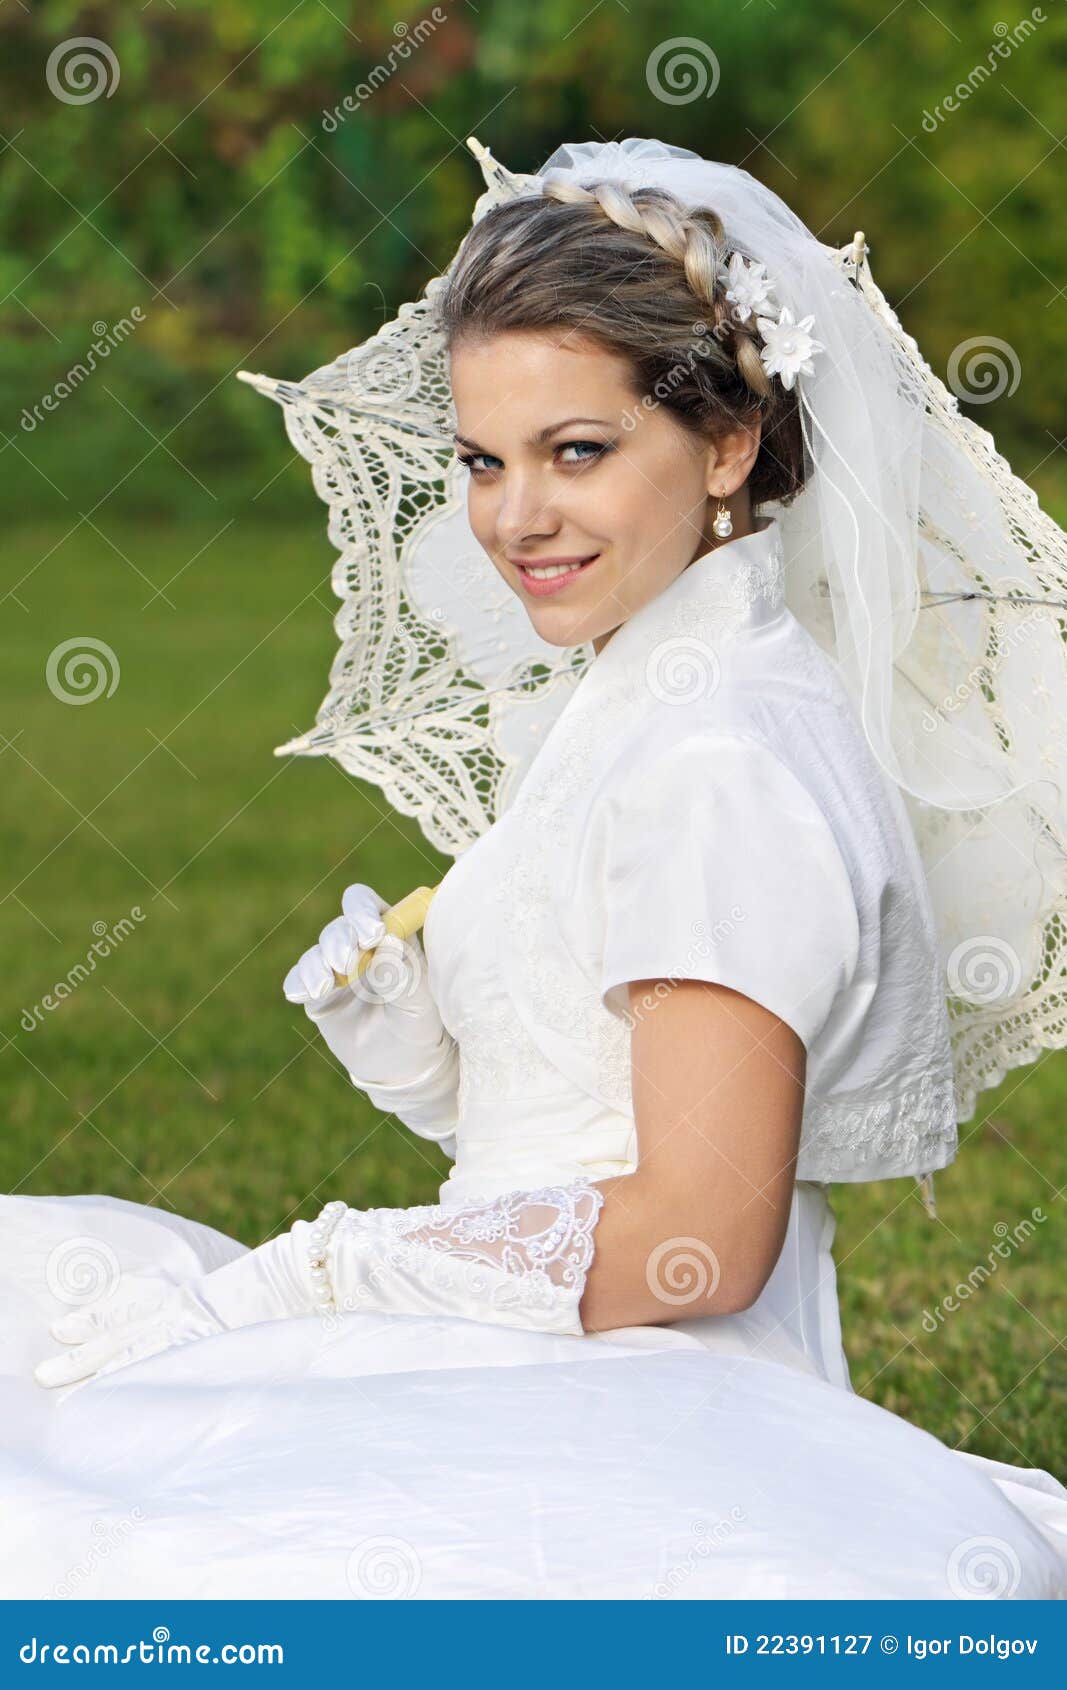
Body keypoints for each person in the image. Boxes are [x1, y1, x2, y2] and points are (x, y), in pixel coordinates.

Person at [2, 139, 1065, 1600]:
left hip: (639, 1385)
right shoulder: (646, 693)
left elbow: (698, 1235)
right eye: (483, 461)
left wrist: (334, 1275)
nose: (515, 518)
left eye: (578, 452)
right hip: (545, 1329)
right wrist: (428, 1053)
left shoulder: (717, 758)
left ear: (729, 443)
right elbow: (597, 1114)